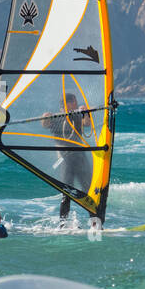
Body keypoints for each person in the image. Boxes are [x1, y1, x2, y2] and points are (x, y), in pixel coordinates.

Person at [44, 92, 94, 220]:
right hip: (66, 160)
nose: (77, 104)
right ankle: (63, 223)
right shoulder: (56, 117)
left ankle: (95, 220)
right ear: (68, 103)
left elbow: (87, 123)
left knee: (89, 191)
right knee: (66, 194)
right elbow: (45, 124)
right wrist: (45, 117)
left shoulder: (77, 116)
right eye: (75, 102)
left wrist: (86, 113)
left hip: (80, 158)